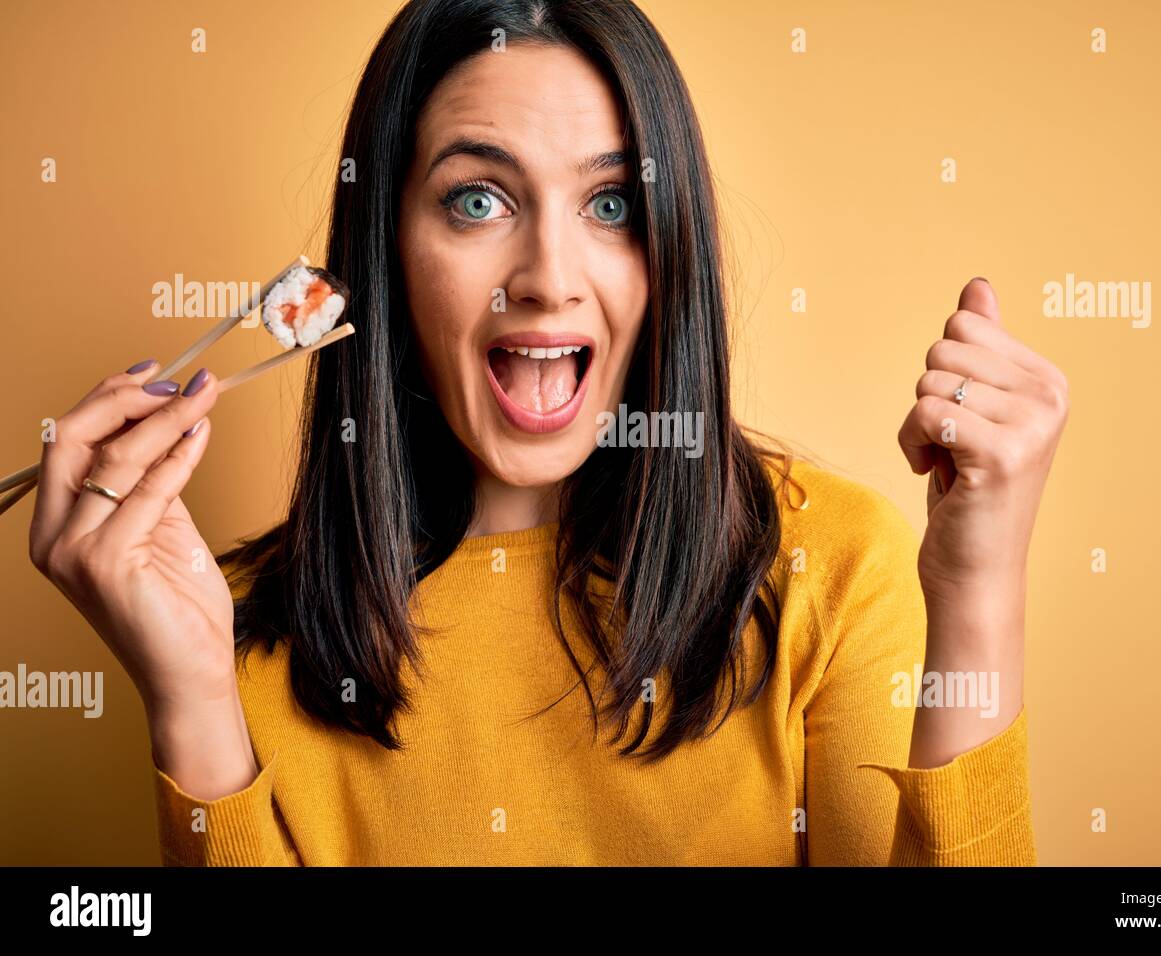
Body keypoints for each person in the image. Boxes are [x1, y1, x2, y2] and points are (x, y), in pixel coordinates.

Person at [27, 0, 1067, 865]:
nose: (549, 278)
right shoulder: (237, 630)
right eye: (477, 198)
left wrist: (979, 593)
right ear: (383, 254)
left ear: (670, 253)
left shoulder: (831, 570)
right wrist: (193, 698)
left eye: (611, 204)